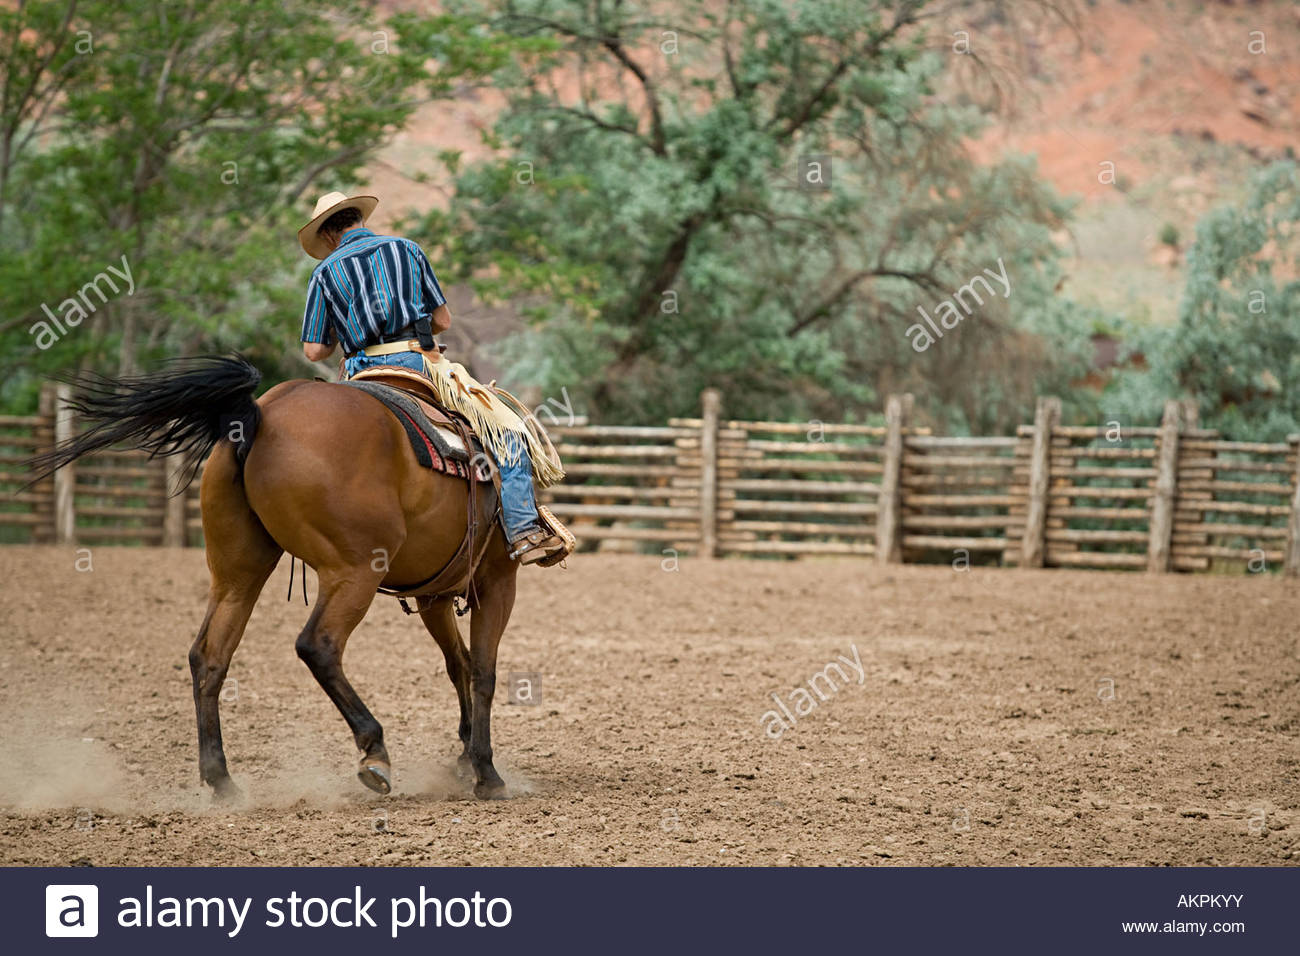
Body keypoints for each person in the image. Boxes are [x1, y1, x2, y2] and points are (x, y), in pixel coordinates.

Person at [297, 191, 565, 565]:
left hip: (359, 374)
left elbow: (314, 351)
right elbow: (443, 322)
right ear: (358, 218)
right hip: (418, 363)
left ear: (327, 236)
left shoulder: (324, 272)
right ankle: (522, 530)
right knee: (508, 431)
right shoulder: (407, 249)